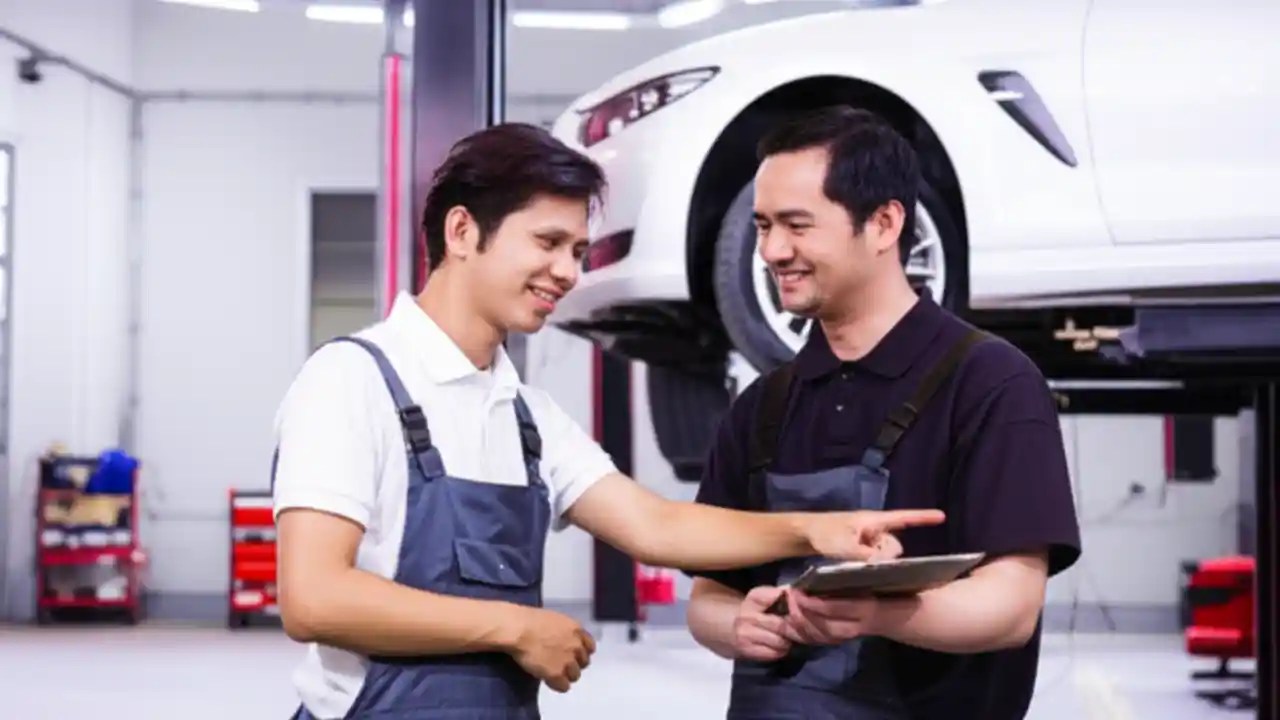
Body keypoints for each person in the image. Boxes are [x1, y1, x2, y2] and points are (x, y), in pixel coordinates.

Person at [270, 122, 947, 720]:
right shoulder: (353, 381)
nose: (566, 272)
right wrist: (513, 628)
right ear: (462, 231)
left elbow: (657, 526)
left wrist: (814, 528)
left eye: (578, 251)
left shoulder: (525, 418)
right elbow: (314, 596)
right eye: (549, 242)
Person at [683, 106, 1083, 720]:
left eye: (797, 225)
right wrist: (735, 624)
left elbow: (1011, 605)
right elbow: (708, 594)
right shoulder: (762, 407)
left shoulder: (991, 385)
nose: (772, 250)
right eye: (763, 226)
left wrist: (878, 615)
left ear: (884, 223)